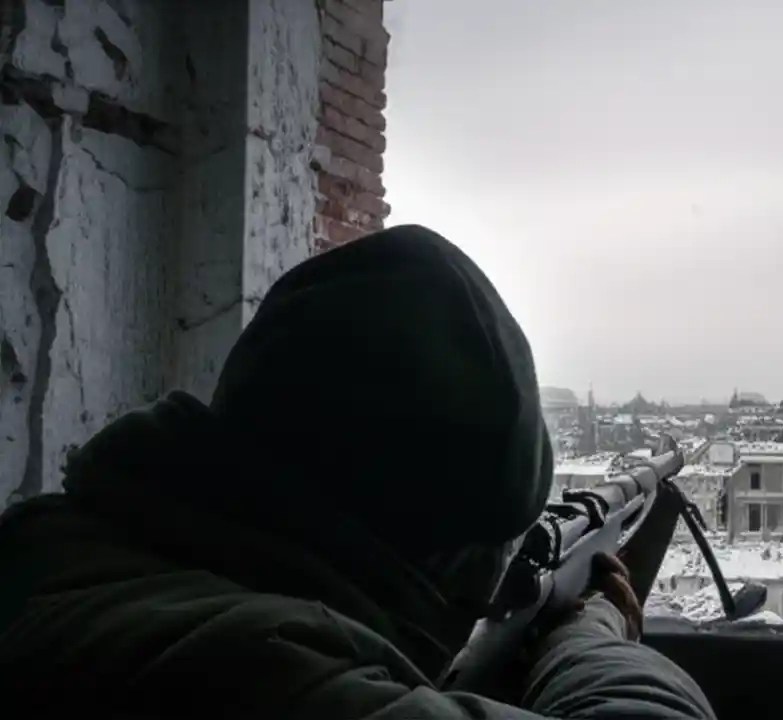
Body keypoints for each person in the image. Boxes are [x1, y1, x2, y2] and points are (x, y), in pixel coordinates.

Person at [0, 225, 716, 719]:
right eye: (490, 557)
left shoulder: (59, 550)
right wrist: (590, 632)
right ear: (438, 564)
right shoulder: (257, 668)